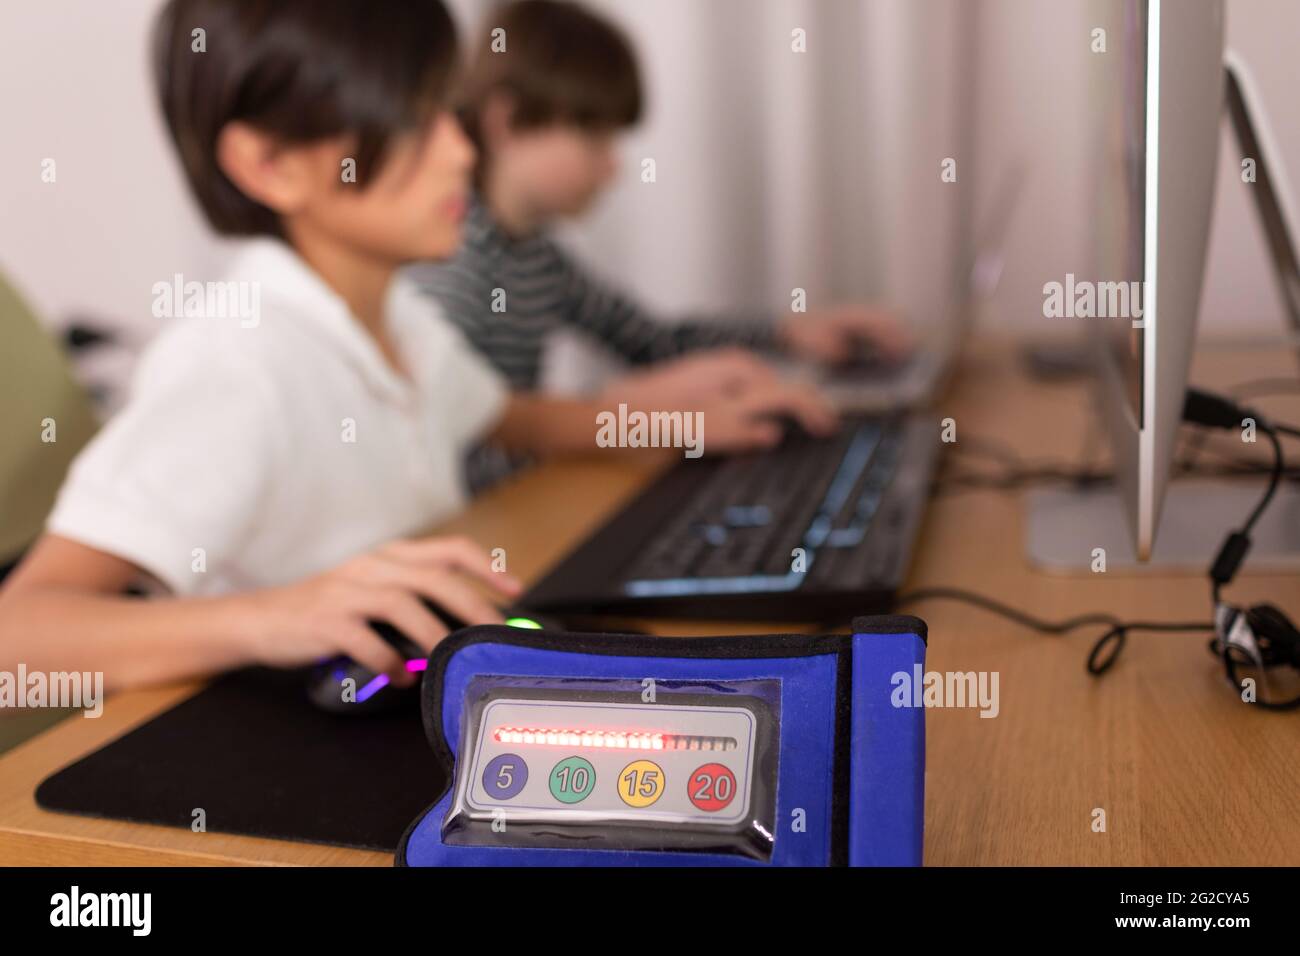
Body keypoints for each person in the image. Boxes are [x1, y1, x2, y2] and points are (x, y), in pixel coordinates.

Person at [0, 0, 833, 693]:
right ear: (271, 163)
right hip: (279, 735)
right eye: (414, 120)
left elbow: (528, 421)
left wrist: (686, 420)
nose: (463, 151)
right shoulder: (238, 362)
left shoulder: (400, 318)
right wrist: (279, 614)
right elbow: (15, 641)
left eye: (449, 111)